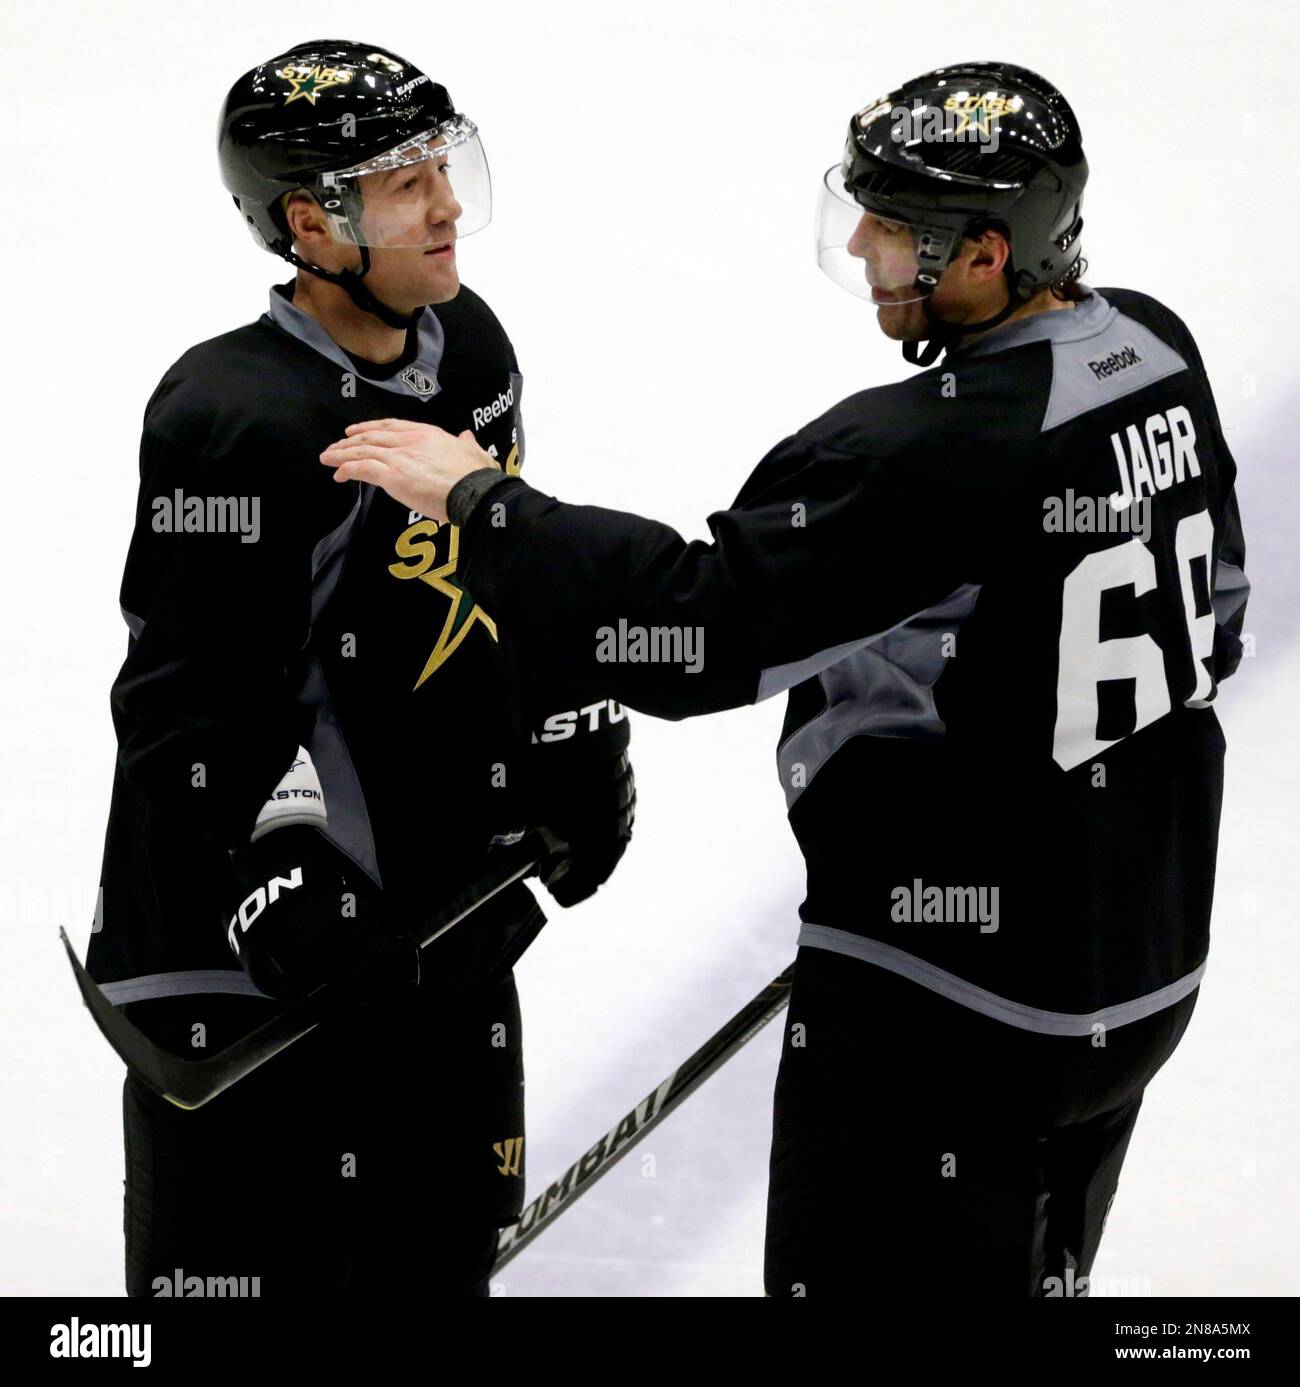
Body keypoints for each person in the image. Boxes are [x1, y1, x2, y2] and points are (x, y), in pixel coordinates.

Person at [319, 61, 1250, 1296]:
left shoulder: (920, 449)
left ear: (983, 254)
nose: (863, 243)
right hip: (1136, 971)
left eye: (896, 227)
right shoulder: (1149, 347)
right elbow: (1216, 621)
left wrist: (486, 506)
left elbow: (695, 636)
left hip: (946, 1014)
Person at [86, 38, 634, 1298]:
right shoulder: (232, 416)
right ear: (309, 221)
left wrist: (568, 729)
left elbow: (489, 582)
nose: (446, 205)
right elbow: (184, 702)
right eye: (402, 183)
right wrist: (280, 859)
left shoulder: (470, 351)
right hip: (251, 969)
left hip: (433, 930)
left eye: (443, 166)